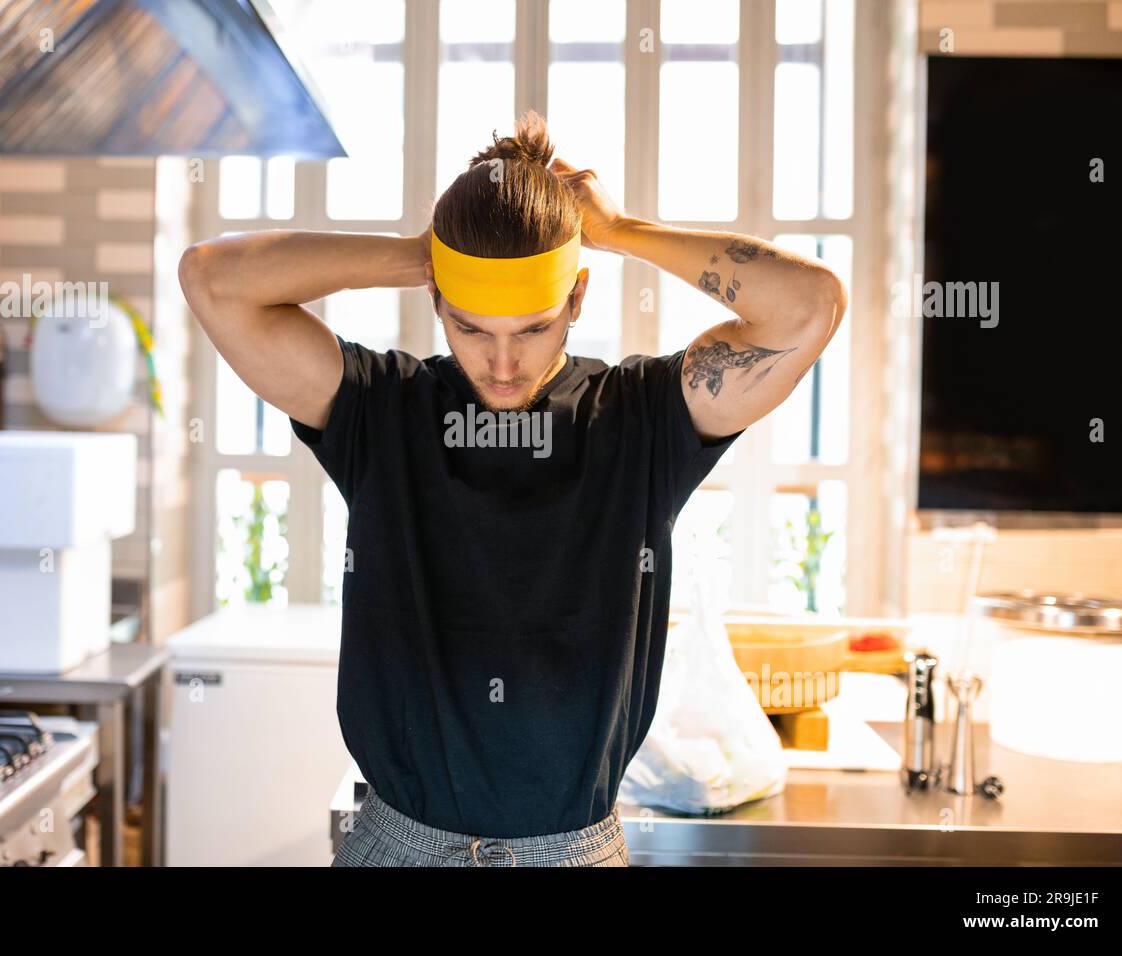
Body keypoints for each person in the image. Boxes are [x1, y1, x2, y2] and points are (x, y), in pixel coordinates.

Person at [178, 110, 847, 867]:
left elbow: (810, 303)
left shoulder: (643, 419)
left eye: (530, 329)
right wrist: (425, 255)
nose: (502, 365)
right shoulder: (380, 409)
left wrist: (617, 228)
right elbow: (211, 277)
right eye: (471, 328)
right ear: (437, 302)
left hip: (571, 853)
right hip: (398, 846)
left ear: (576, 299)